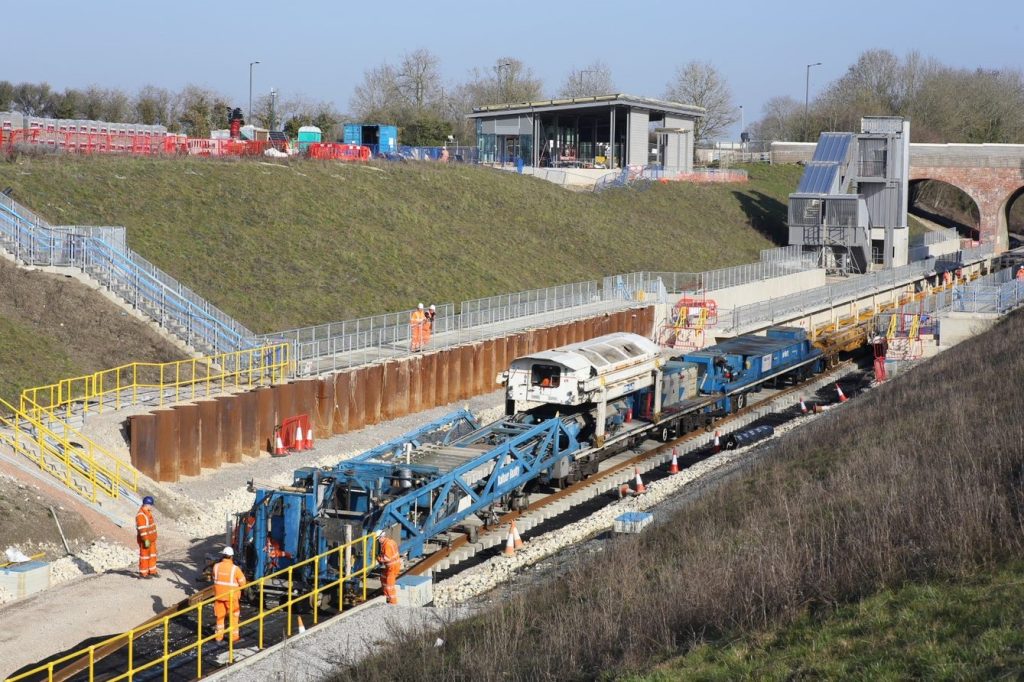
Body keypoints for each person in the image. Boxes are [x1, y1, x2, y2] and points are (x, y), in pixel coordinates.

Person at [212, 546, 247, 643]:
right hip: (231, 597)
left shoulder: (216, 566)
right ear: (232, 557)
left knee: (219, 617)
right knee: (233, 617)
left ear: (223, 555)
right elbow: (243, 583)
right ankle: (234, 638)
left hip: (218, 596)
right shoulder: (235, 569)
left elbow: (214, 578)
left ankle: (218, 637)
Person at [376, 531, 401, 605]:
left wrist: (378, 558)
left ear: (382, 537)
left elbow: (387, 558)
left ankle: (392, 603)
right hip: (392, 566)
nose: (378, 541)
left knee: (389, 586)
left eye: (378, 539)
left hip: (392, 567)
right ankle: (386, 596)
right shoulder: (390, 542)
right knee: (383, 577)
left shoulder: (387, 545)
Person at [135, 495, 158, 578]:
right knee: (145, 556)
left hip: (151, 539)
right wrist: (145, 540)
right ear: (147, 504)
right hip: (146, 540)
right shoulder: (141, 515)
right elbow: (142, 529)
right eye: (151, 505)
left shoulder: (148, 513)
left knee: (152, 555)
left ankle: (152, 571)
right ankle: (143, 573)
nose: (151, 507)